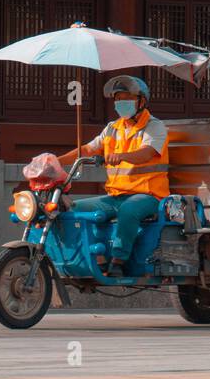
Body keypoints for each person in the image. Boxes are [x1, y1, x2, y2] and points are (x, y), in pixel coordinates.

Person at [57, 75, 170, 274]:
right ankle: (98, 257)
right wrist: (56, 160)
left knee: (129, 211)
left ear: (141, 101)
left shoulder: (154, 126)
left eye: (126, 98)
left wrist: (121, 156)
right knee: (74, 209)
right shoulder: (112, 128)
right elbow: (88, 149)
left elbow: (147, 153)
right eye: (117, 99)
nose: (120, 103)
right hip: (116, 195)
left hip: (149, 195)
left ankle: (119, 260)